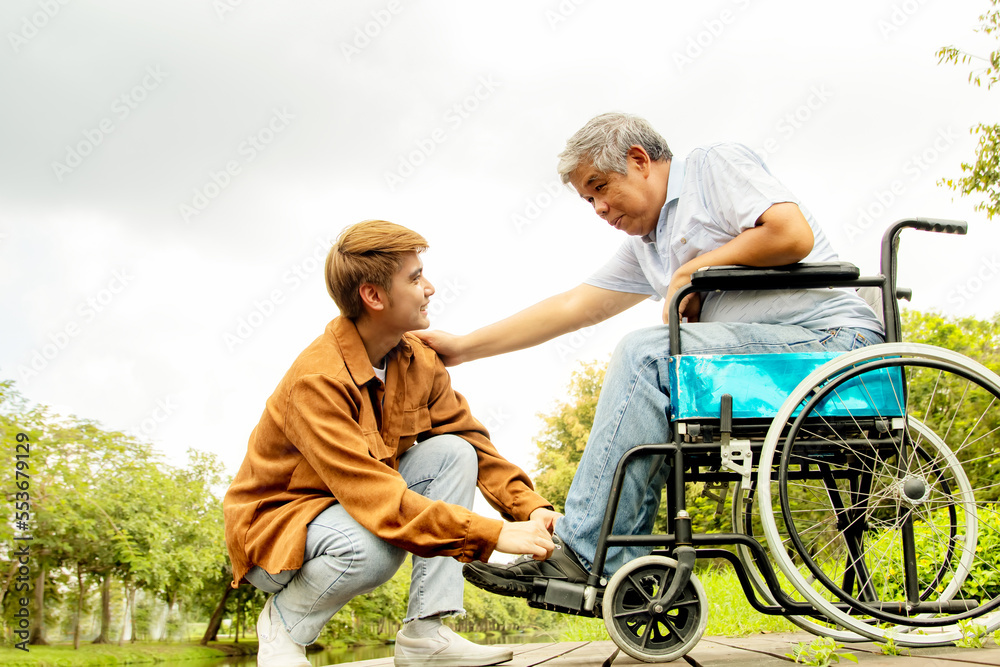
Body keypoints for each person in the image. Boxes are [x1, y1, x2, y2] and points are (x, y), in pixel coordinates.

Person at [415, 112, 885, 597]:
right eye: (588, 199)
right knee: (656, 369)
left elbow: (791, 233)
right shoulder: (647, 243)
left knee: (646, 355)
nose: (597, 208)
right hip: (766, 369)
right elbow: (572, 307)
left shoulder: (711, 166)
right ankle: (619, 567)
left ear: (639, 161)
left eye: (600, 188)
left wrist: (693, 271)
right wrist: (464, 348)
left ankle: (586, 554)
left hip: (830, 348)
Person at [223, 219, 560, 667]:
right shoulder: (318, 380)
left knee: (453, 452)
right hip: (280, 531)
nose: (430, 288)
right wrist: (494, 534)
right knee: (374, 548)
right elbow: (379, 501)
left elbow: (471, 442)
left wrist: (528, 508)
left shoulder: (419, 359)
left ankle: (427, 632)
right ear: (374, 296)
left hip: (352, 510)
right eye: (416, 278)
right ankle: (283, 625)